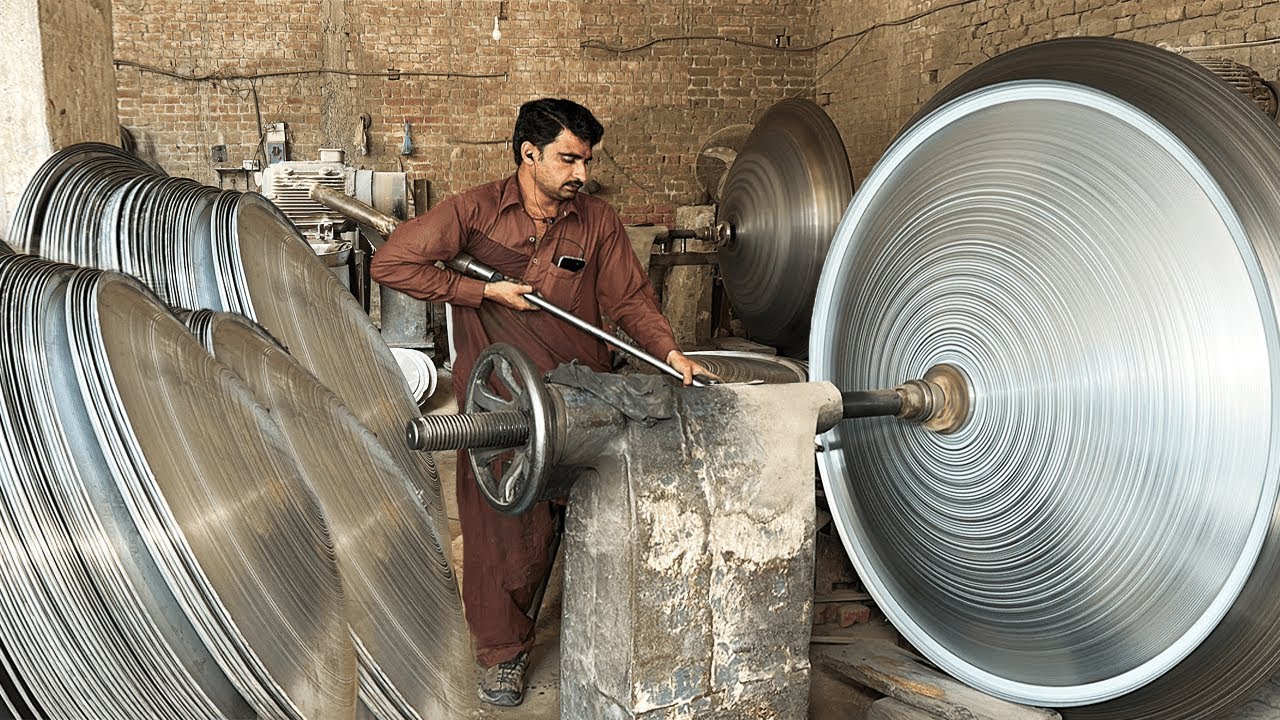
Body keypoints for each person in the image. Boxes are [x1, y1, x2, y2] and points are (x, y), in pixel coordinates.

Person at [370, 97, 709, 706]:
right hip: (503, 400)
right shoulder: (473, 211)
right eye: (568, 158)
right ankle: (502, 653)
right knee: (504, 531)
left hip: (583, 393)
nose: (580, 173)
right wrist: (479, 290)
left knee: (586, 516)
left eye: (586, 160)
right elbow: (391, 261)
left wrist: (669, 353)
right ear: (529, 153)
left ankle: (600, 630)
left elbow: (629, 299)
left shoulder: (596, 220)